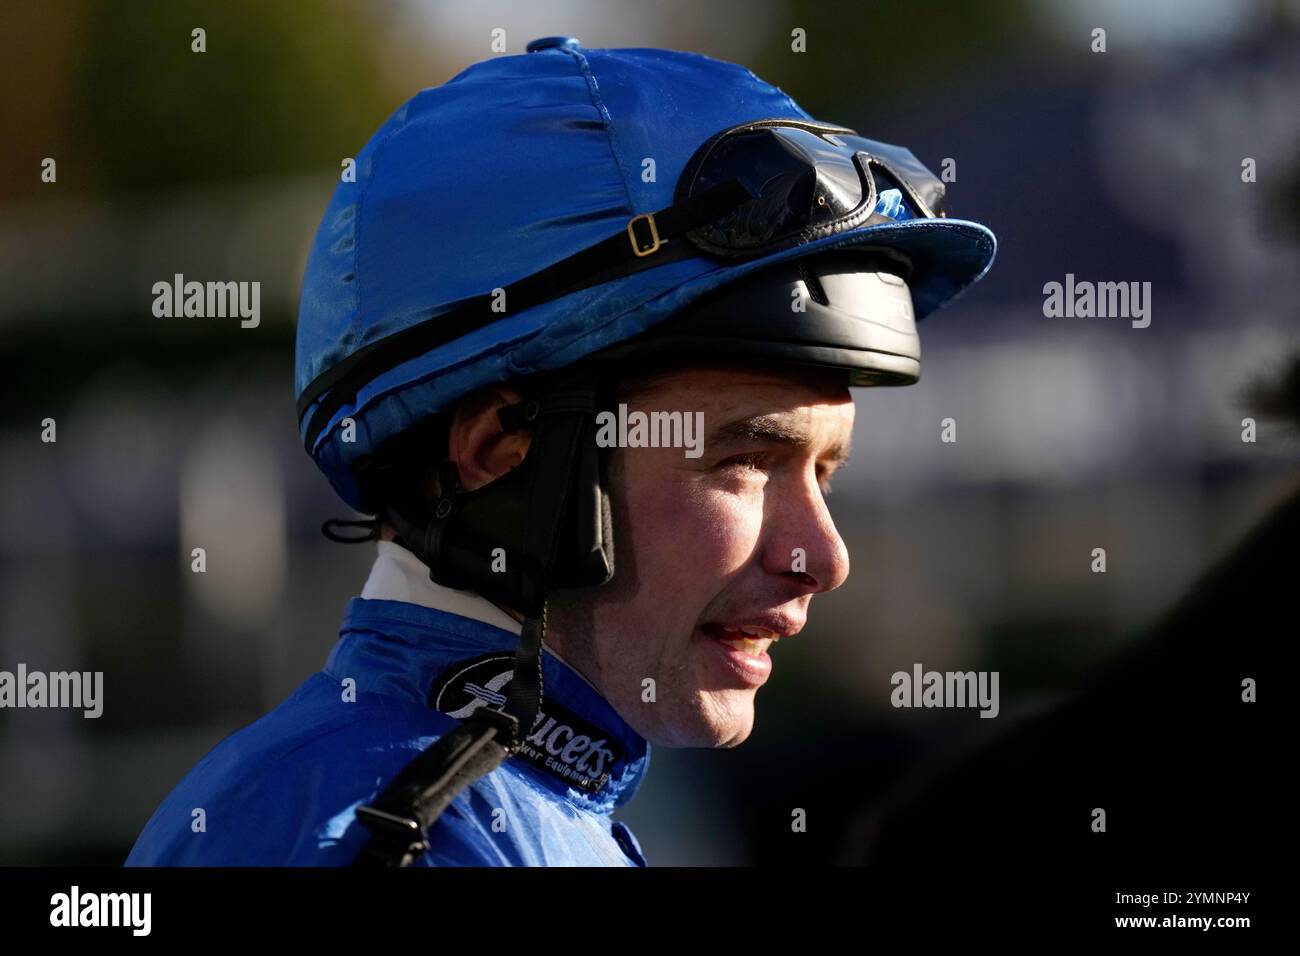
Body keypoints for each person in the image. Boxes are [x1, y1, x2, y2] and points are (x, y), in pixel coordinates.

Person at [125, 36, 996, 867]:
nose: (824, 558)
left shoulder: (513, 801)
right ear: (501, 447)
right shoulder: (384, 834)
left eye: (824, 473)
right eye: (747, 461)